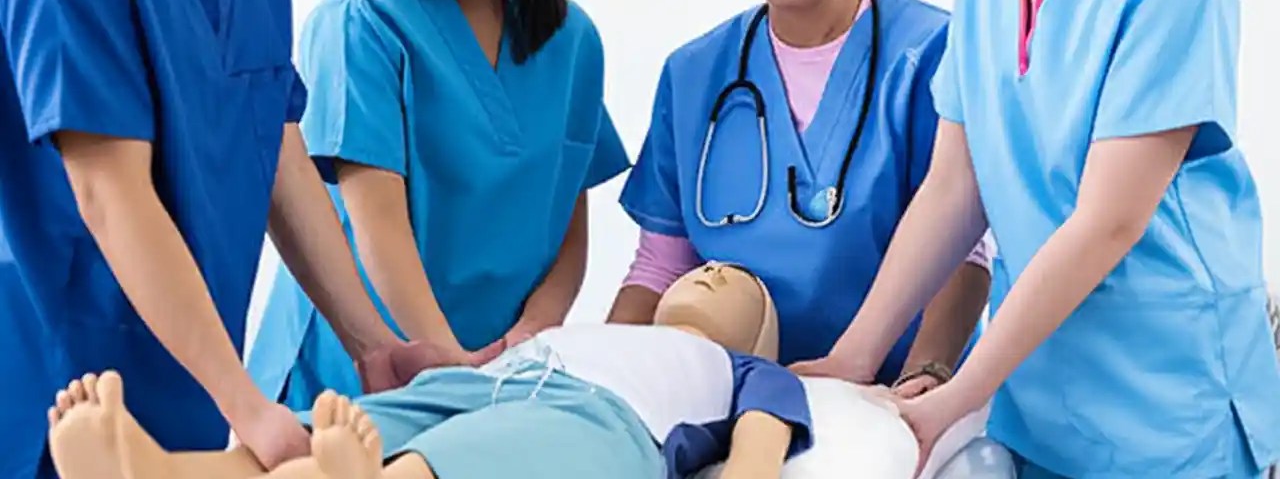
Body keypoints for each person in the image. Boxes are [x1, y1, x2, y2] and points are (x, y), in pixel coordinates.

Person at [794, 0, 1280, 477]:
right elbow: (954, 188)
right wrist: (853, 355)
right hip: (1042, 405)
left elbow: (1106, 223)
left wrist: (959, 394)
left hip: (1169, 409)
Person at [0, 0, 455, 477]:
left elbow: (278, 156)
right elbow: (109, 195)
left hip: (187, 398)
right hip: (60, 398)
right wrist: (246, 405)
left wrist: (372, 343)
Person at [247, 0, 630, 411]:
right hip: (360, 367)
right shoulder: (365, 17)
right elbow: (378, 227)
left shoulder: (572, 40)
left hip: (502, 373)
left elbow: (567, 227)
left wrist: (531, 336)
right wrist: (448, 364)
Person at [606, 0, 992, 393]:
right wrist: (604, 379)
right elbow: (660, 266)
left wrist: (924, 375)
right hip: (730, 396)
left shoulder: (932, 55)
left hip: (891, 399)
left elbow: (964, 252)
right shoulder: (694, 76)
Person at [49, 263, 815, 479]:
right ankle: (159, 471)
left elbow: (755, 457)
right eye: (706, 266)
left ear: (759, 332)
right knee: (323, 434)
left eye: (737, 283)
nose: (712, 270)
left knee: (451, 459)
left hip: (599, 424)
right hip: (491, 381)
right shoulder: (593, 330)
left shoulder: (745, 370)